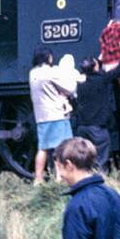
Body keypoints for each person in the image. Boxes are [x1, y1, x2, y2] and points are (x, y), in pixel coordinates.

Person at [28, 47, 83, 185]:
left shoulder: (33, 73)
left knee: (43, 148)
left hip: (41, 116)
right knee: (62, 148)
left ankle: (38, 178)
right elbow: (70, 88)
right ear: (49, 57)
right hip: (56, 114)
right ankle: (60, 177)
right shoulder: (50, 72)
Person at [72, 55, 120, 170]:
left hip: (82, 126)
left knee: (85, 157)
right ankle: (100, 179)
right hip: (97, 127)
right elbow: (118, 70)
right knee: (101, 157)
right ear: (95, 67)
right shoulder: (101, 79)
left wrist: (99, 61)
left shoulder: (79, 82)